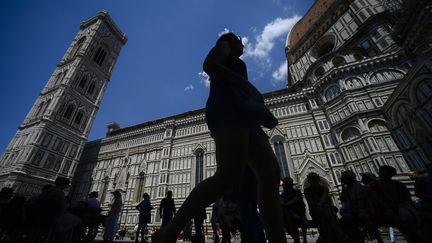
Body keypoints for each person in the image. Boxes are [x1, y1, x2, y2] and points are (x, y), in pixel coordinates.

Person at [152, 32, 286, 243]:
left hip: (245, 113)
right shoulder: (224, 46)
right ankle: (168, 233)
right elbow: (209, 65)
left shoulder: (237, 60)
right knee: (229, 176)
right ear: (232, 41)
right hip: (228, 108)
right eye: (239, 42)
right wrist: (245, 84)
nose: (242, 45)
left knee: (270, 173)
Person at [304, 172, 352, 243]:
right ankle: (339, 233)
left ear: (318, 179)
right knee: (325, 209)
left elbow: (323, 200)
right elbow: (310, 202)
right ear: (309, 180)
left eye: (315, 178)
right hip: (316, 211)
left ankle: (326, 235)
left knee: (325, 209)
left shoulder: (324, 188)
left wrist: (320, 205)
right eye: (312, 179)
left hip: (325, 209)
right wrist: (319, 206)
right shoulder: (307, 190)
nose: (314, 180)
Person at [340, 170, 383, 243]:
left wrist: (361, 211)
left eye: (343, 179)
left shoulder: (357, 186)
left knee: (365, 219)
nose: (342, 180)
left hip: (364, 211)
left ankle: (378, 239)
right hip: (355, 211)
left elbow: (361, 200)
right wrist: (343, 188)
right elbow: (343, 199)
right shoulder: (349, 188)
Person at [280, 177, 307, 243]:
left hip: (298, 213)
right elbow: (282, 203)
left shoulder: (296, 192)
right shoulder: (283, 194)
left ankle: (301, 239)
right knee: (288, 218)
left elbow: (296, 200)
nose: (282, 185)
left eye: (284, 183)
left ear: (288, 184)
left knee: (290, 218)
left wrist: (286, 205)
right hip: (290, 214)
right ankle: (296, 239)